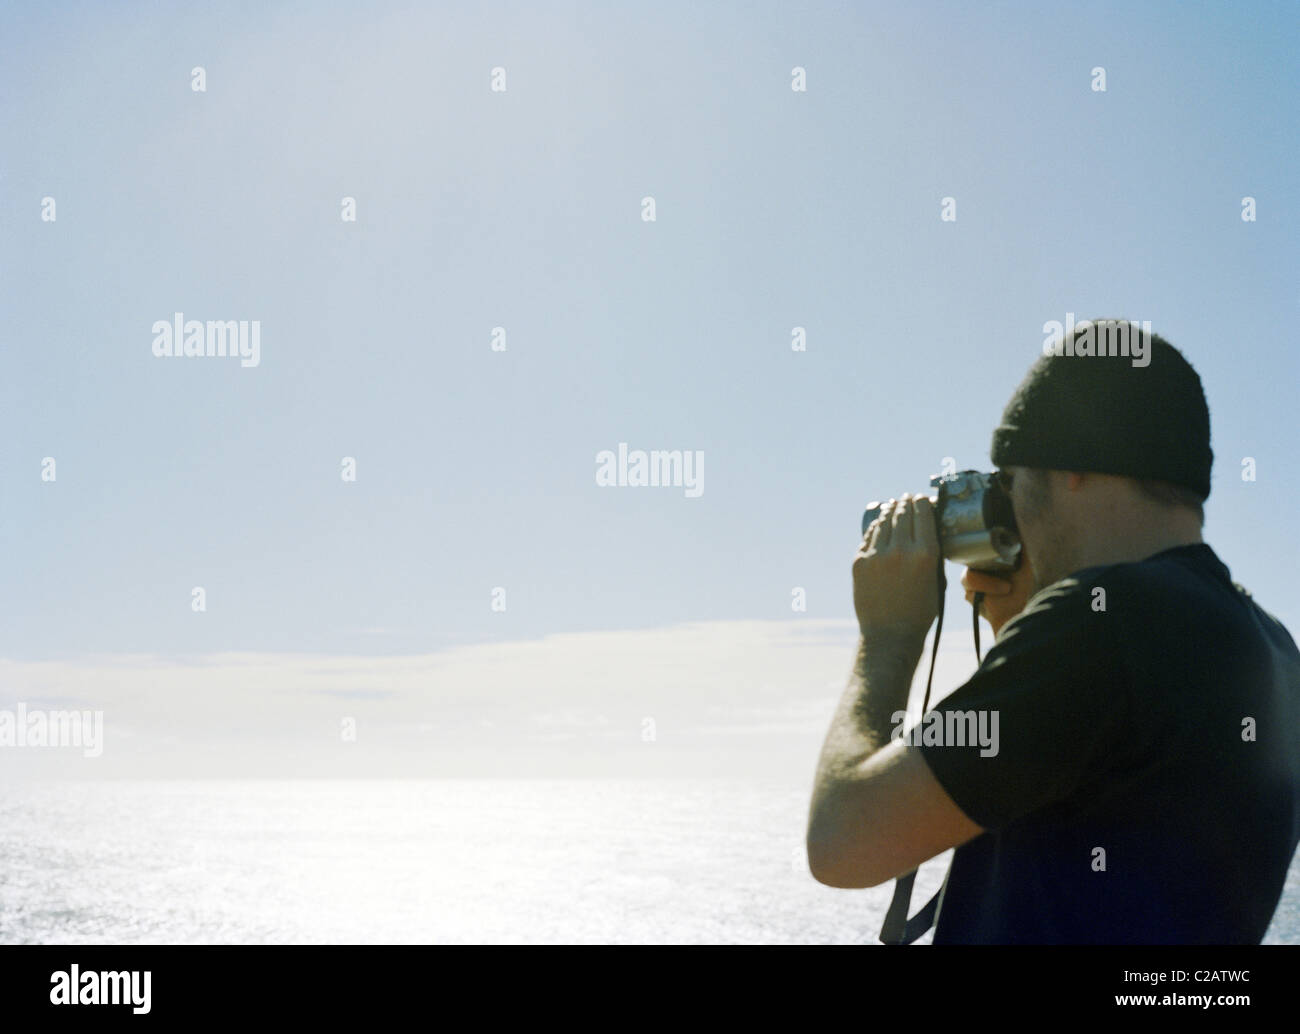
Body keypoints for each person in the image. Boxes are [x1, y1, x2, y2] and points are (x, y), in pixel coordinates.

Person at [806, 321, 1300, 943]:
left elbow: (842, 842)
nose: (1010, 503)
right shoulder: (1272, 649)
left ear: (1071, 465)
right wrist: (1021, 627)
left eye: (1011, 478)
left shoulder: (1107, 625)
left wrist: (889, 637)